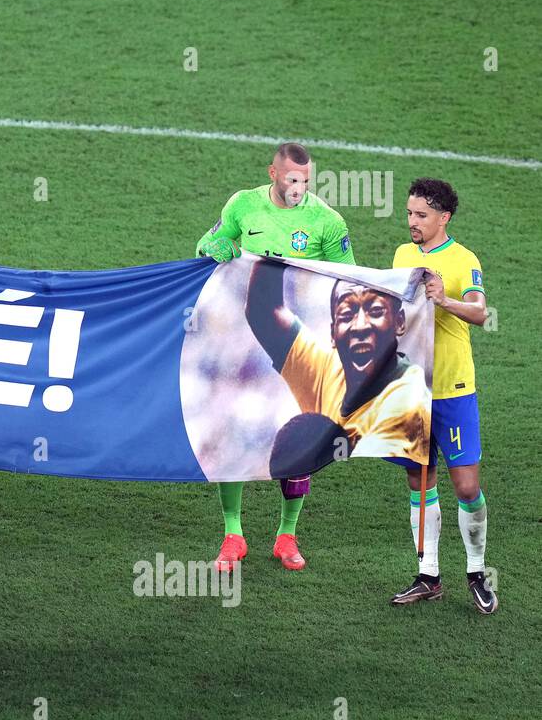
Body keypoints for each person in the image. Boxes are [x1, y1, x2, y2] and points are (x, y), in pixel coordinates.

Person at [195, 142, 356, 572]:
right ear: (273, 174)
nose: (298, 188)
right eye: (291, 180)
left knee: (296, 439)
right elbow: (204, 246)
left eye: (305, 180)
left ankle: (287, 535)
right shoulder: (243, 206)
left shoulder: (326, 221)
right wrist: (215, 246)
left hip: (296, 349)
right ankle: (233, 535)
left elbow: (350, 281)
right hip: (241, 343)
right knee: (231, 432)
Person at [388, 179, 495, 614]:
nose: (412, 222)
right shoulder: (401, 254)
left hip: (453, 389)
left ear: (443, 218)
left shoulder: (463, 258)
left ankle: (477, 572)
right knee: (419, 480)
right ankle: (428, 574)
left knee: (467, 486)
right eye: (410, 213)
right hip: (412, 387)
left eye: (421, 215)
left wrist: (444, 300)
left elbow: (480, 311)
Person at [244, 258, 430, 458]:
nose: (360, 326)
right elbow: (263, 309)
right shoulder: (327, 369)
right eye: (346, 314)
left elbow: (358, 461)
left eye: (375, 311)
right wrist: (275, 245)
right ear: (333, 334)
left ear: (399, 322)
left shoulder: (407, 398)